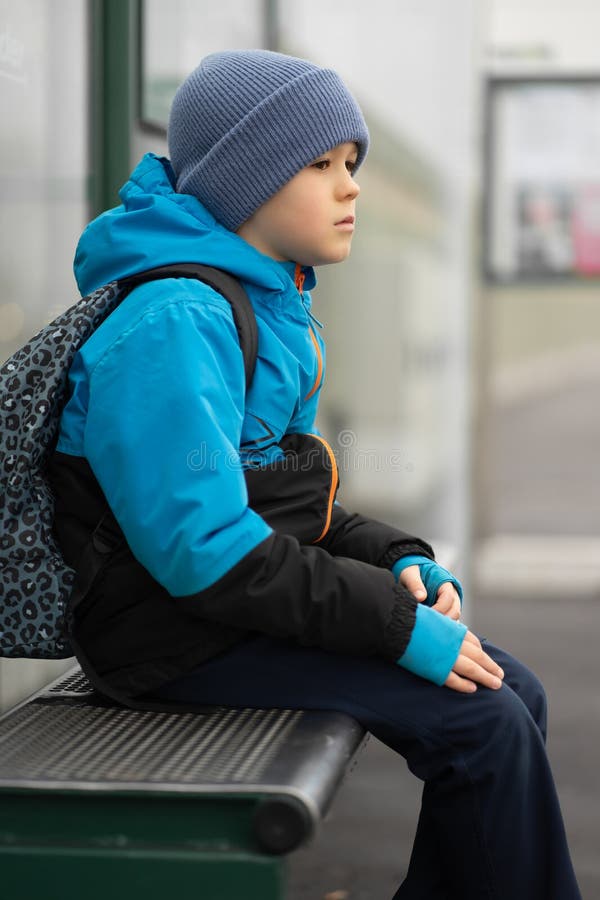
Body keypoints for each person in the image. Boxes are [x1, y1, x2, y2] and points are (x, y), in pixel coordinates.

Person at [49, 50, 581, 899]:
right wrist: (391, 624)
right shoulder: (176, 321)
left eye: (353, 165)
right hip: (171, 639)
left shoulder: (269, 307)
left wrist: (400, 558)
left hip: (226, 614)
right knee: (486, 722)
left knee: (513, 692)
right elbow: (206, 553)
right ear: (244, 180)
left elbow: (296, 499)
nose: (351, 188)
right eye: (321, 164)